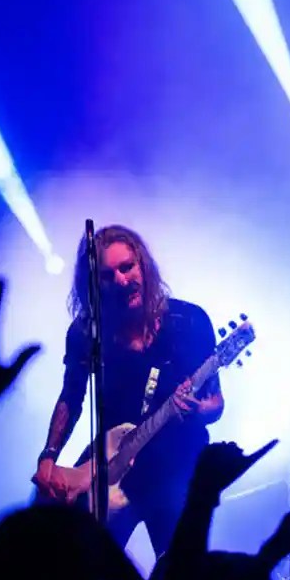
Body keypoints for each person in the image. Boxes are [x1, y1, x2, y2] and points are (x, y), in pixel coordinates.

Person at [32, 224, 224, 559]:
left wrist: (196, 410)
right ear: (94, 284)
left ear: (144, 265)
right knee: (77, 561)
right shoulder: (86, 332)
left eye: (127, 268)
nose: (121, 281)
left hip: (174, 466)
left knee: (178, 572)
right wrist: (49, 455)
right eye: (108, 276)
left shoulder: (188, 321)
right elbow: (71, 396)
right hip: (112, 462)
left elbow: (217, 403)